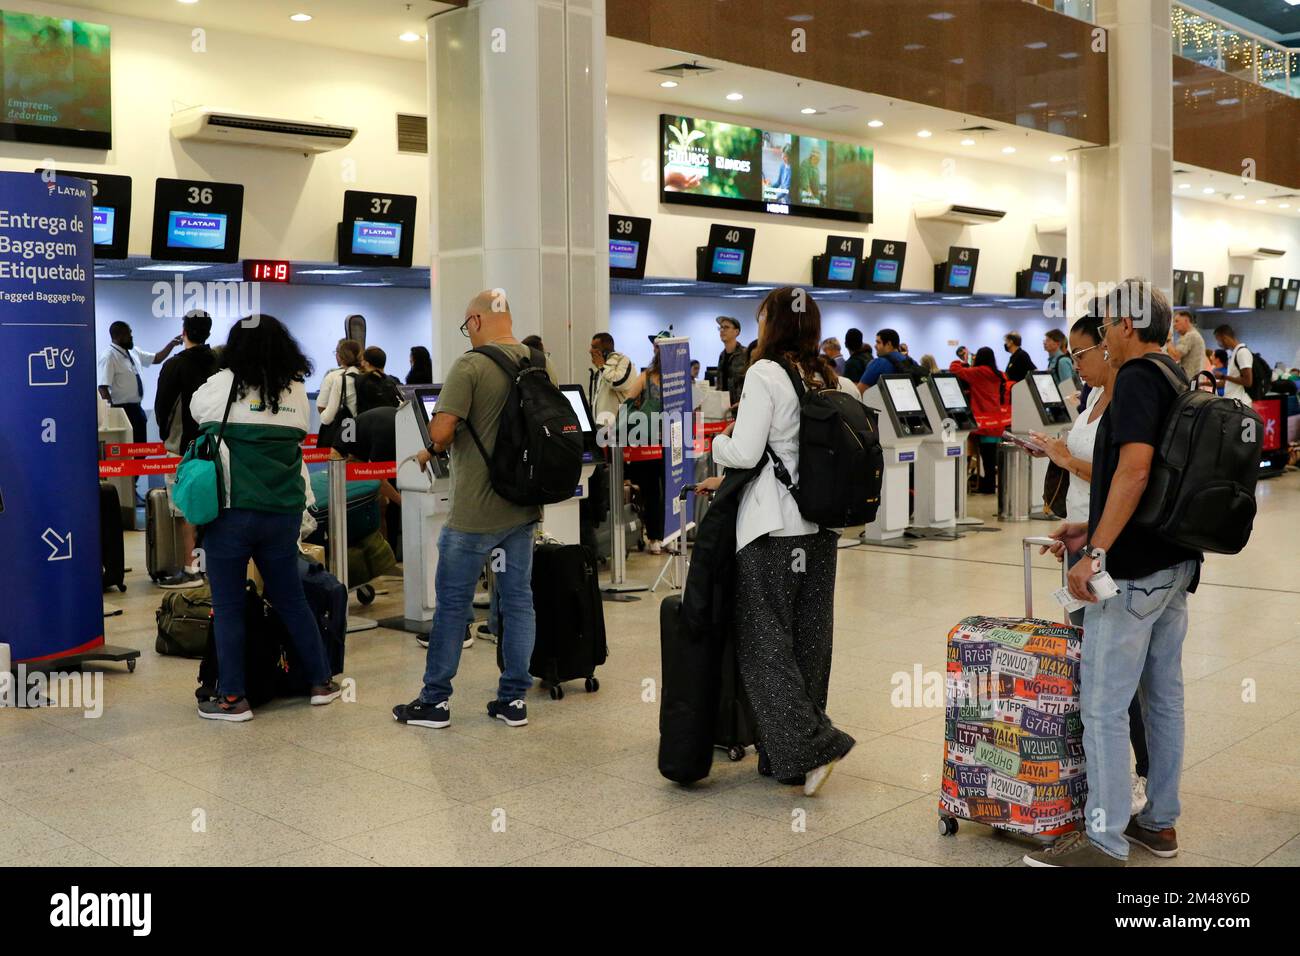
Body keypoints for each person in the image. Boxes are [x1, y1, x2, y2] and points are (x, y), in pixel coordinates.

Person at [1025, 280, 1201, 867]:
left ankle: (1103, 840)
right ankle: (1159, 823)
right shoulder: (1175, 374)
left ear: (1127, 325)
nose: (1102, 338)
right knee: (1163, 700)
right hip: (1173, 560)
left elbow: (1135, 471)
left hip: (1131, 572)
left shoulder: (1136, 378)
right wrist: (1089, 525)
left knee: (1102, 706)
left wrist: (1096, 550)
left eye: (1104, 328)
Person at [704, 287, 857, 796]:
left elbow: (746, 453)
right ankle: (786, 758)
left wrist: (717, 442)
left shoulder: (765, 374)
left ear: (773, 325)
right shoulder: (835, 378)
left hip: (772, 528)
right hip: (820, 530)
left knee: (765, 644)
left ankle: (815, 746)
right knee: (810, 642)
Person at [393, 291, 555, 731]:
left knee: (452, 605)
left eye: (467, 326)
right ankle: (513, 700)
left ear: (477, 321)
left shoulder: (469, 365)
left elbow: (442, 431)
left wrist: (433, 444)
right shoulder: (539, 362)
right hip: (522, 508)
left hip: (474, 514)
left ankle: (435, 702)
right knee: (518, 601)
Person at [190, 315, 342, 721]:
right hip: (283, 514)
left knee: (228, 605)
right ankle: (321, 682)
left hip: (232, 513)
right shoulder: (296, 390)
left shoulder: (223, 384)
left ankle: (233, 698)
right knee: (291, 599)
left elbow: (196, 409)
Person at [1028, 310, 1150, 815]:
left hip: (1107, 545)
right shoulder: (1093, 398)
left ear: (1107, 345)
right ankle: (1098, 773)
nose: (1074, 363)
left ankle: (1135, 779)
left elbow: (1122, 476)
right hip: (1082, 537)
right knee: (1087, 661)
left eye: (1080, 353)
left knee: (1114, 674)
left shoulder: (1127, 400)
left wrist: (1065, 459)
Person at [154, 310, 218, 590]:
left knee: (185, 510)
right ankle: (213, 566)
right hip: (217, 448)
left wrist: (166, 436)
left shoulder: (175, 365)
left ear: (184, 332)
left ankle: (191, 569)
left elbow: (163, 407)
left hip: (183, 449)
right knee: (216, 505)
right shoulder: (221, 364)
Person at [97, 320, 181, 443]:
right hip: (121, 410)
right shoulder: (109, 356)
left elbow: (156, 358)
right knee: (128, 447)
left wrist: (171, 344)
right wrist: (111, 413)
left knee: (141, 446)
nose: (131, 336)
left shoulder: (133, 351)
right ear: (118, 336)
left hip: (137, 409)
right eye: (128, 334)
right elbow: (103, 388)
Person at [624, 332, 669, 554]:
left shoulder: (678, 378)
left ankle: (669, 533)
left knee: (671, 489)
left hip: (671, 441)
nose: (657, 350)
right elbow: (627, 403)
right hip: (649, 442)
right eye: (656, 347)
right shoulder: (645, 377)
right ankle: (654, 536)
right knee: (652, 492)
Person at [949, 347, 1010, 494]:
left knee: (986, 457)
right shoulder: (999, 374)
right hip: (996, 420)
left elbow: (954, 369)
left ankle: (988, 487)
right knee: (991, 458)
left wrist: (962, 361)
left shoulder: (979, 372)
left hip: (983, 420)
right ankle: (991, 484)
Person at [317, 339, 362, 450]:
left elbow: (326, 415)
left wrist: (324, 417)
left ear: (341, 357)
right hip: (363, 432)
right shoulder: (366, 376)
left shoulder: (337, 378)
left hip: (344, 433)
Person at [588, 332, 637, 427]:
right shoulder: (603, 368)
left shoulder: (623, 361)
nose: (590, 351)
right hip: (600, 424)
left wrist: (601, 366)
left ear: (605, 351)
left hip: (618, 426)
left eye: (594, 347)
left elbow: (617, 382)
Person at [857, 328, 911, 394]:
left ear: (888, 344)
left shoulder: (879, 363)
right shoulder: (911, 362)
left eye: (878, 342)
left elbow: (859, 392)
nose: (875, 346)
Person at [1212, 325, 1253, 402]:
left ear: (1224, 338)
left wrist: (1223, 376)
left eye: (1218, 340)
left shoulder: (1242, 352)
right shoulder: (1234, 353)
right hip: (1233, 400)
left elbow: (1248, 381)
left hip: (1240, 402)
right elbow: (1228, 383)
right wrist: (1202, 383)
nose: (1219, 344)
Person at [356, 346, 402, 412]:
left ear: (366, 363)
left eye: (362, 360)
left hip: (370, 417)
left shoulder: (361, 381)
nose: (361, 363)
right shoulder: (394, 381)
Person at [716, 316, 750, 408]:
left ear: (736, 332)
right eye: (721, 327)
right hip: (725, 407)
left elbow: (753, 383)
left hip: (742, 407)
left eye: (726, 327)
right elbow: (720, 383)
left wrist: (745, 401)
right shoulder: (722, 356)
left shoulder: (746, 353)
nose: (722, 330)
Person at [1165, 310, 1205, 382]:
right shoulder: (1194, 334)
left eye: (1177, 321)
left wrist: (1168, 339)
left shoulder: (1190, 335)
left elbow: (1174, 356)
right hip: (1194, 380)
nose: (1174, 325)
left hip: (1190, 381)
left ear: (1186, 321)